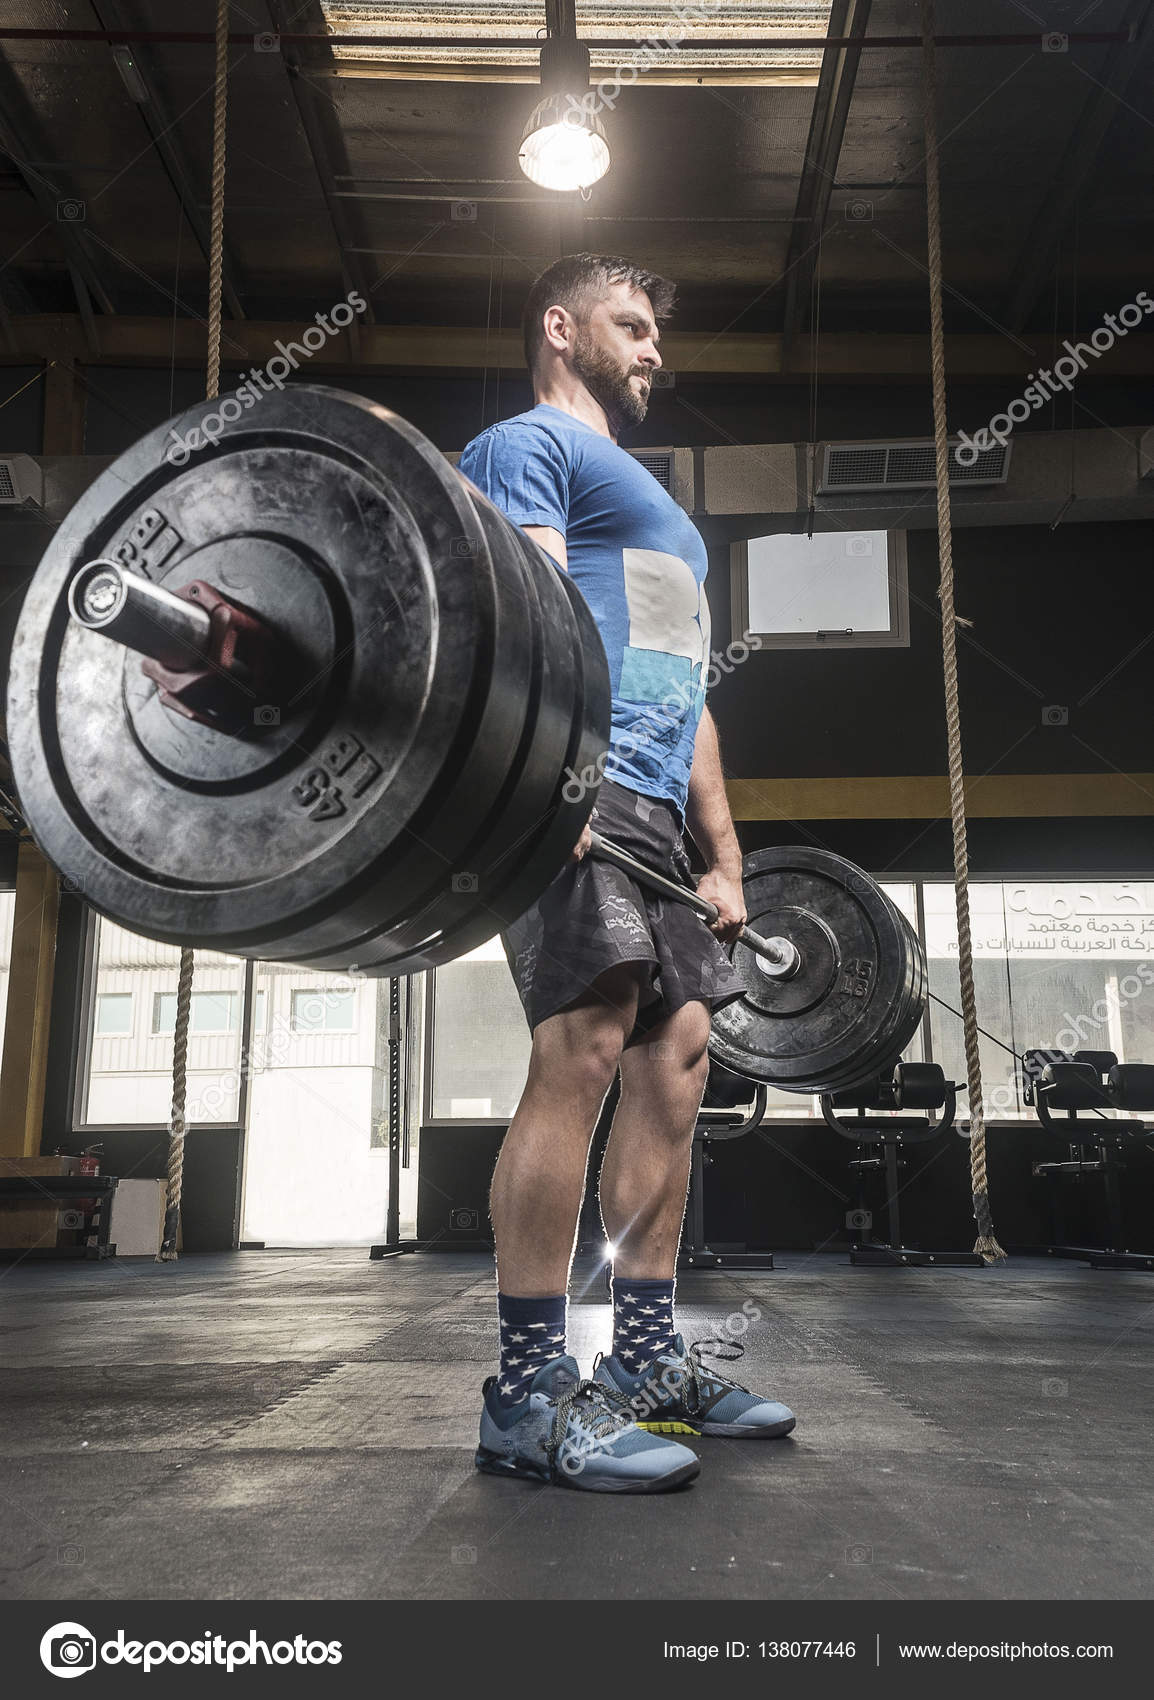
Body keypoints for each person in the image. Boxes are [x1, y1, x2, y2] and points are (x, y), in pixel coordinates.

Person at [457, 253, 796, 1494]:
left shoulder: (654, 510)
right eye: (632, 326)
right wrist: (546, 776)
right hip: (577, 784)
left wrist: (725, 851)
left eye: (658, 331)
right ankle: (528, 1389)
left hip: (657, 803)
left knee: (677, 1059)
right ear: (561, 326)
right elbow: (524, 615)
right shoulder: (522, 446)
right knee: (587, 1042)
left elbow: (682, 682)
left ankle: (643, 1361)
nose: (655, 349)